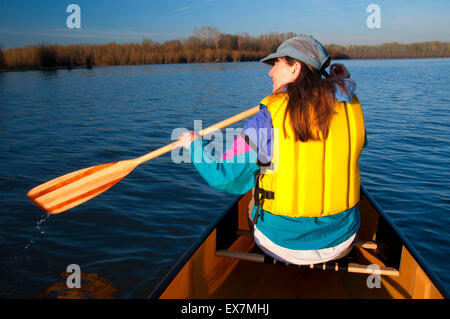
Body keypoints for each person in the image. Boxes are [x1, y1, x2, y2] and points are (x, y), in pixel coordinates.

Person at [177, 35, 366, 265]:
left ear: (295, 68)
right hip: (342, 239)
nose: (270, 72)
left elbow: (221, 176)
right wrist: (341, 82)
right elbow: (357, 142)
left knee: (250, 189)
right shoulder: (349, 105)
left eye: (277, 64)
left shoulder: (267, 118)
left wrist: (194, 144)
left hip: (280, 244)